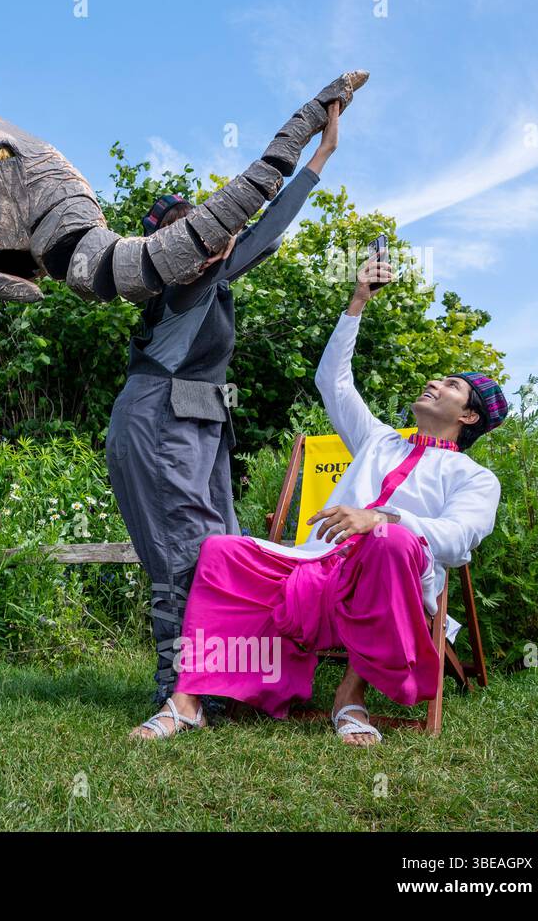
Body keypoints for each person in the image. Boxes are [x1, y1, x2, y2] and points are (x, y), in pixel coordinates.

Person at [133, 255, 505, 745]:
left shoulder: (474, 477)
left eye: (452, 385)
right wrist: (358, 301)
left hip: (391, 581)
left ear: (471, 417)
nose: (435, 383)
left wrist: (380, 519)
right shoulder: (379, 440)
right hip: (317, 567)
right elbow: (333, 383)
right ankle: (187, 703)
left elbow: (458, 540)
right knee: (221, 550)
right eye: (440, 379)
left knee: (390, 543)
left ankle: (350, 699)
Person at [106, 101, 343, 714]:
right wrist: (319, 156)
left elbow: (254, 232)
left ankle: (219, 684)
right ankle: (176, 690)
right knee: (180, 554)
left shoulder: (215, 277)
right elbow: (270, 227)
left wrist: (319, 154)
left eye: (211, 231)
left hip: (200, 422)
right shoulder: (186, 284)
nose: (209, 244)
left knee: (220, 549)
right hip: (160, 419)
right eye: (190, 236)